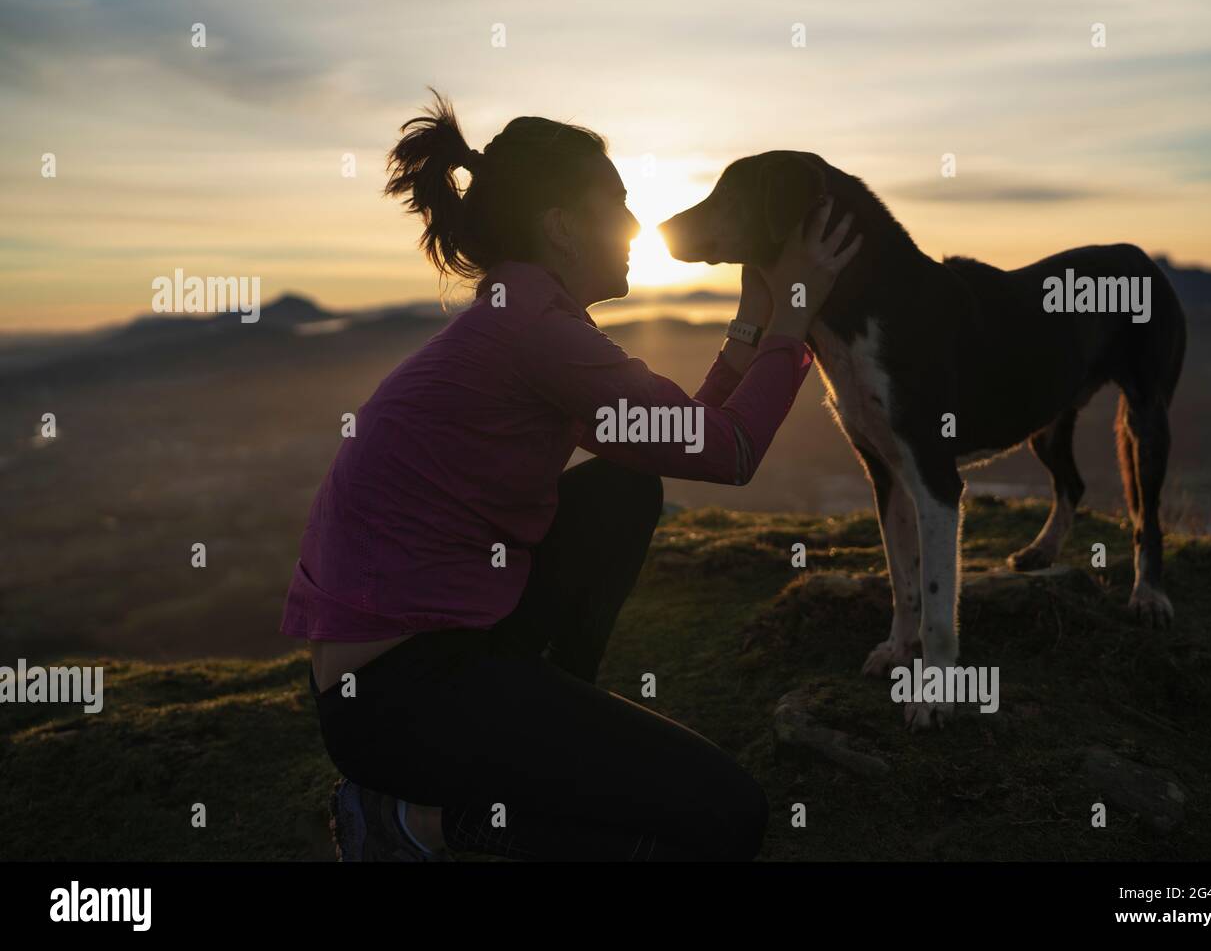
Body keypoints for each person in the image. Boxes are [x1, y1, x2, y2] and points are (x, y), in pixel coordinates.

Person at [279, 89, 861, 861]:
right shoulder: (537, 335)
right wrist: (795, 317)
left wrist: (754, 325)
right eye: (616, 201)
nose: (634, 221)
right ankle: (409, 824)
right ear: (559, 225)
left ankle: (550, 720)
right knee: (726, 815)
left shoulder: (525, 319)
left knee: (621, 488)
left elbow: (680, 436)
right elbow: (734, 453)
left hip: (418, 659)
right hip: (398, 699)